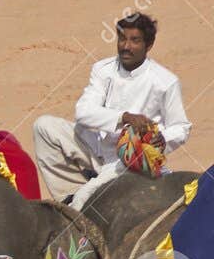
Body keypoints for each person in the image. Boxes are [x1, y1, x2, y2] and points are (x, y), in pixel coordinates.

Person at [33, 13, 191, 204]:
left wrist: (161, 140)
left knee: (83, 199)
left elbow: (181, 127)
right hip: (99, 147)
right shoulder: (103, 69)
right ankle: (69, 194)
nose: (126, 46)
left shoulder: (165, 81)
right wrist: (124, 117)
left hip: (130, 162)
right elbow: (83, 112)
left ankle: (80, 202)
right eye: (122, 38)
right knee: (44, 127)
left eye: (135, 41)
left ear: (148, 45)